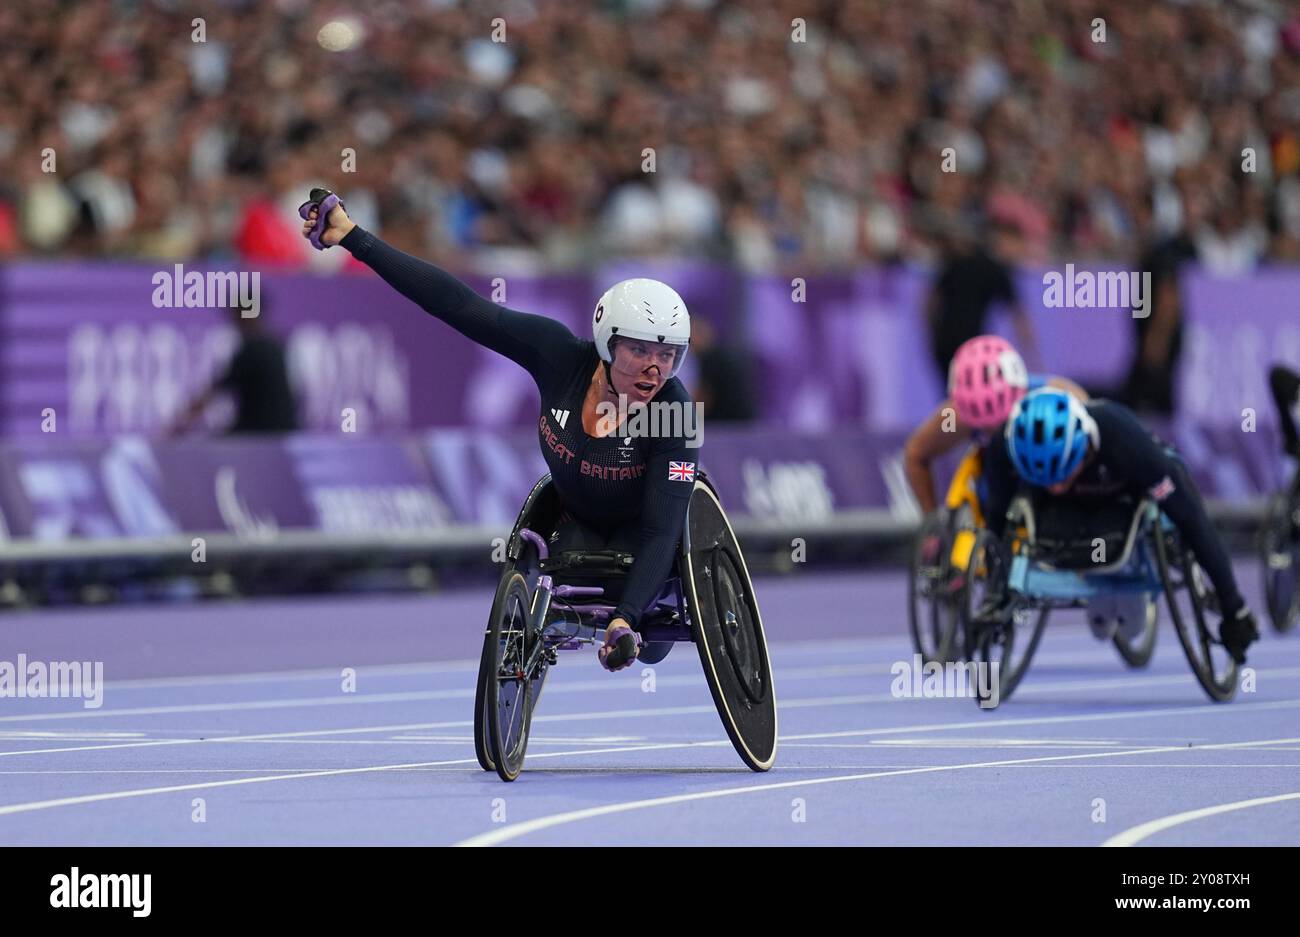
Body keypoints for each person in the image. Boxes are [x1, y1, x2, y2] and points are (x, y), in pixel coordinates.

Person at [300, 190, 698, 672]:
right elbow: (459, 307)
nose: (655, 369)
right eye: (639, 351)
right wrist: (353, 238)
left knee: (652, 649)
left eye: (668, 356)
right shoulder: (558, 355)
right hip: (575, 525)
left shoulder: (674, 412)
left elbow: (662, 529)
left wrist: (627, 618)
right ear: (605, 341)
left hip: (644, 545)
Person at [981, 387, 1259, 664]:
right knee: (1098, 615)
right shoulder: (1003, 448)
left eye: (1064, 473)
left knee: (1129, 614)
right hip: (1058, 517)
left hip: (1121, 502)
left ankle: (1122, 586)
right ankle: (1097, 583)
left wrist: (1233, 606)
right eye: (1047, 480)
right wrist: (996, 597)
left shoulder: (1128, 444)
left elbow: (1193, 519)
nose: (1056, 486)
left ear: (1084, 445)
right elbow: (995, 525)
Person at [904, 334, 1086, 516]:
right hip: (994, 501)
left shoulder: (1061, 399)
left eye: (1002, 423)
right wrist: (932, 523)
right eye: (984, 427)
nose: (995, 435)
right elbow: (916, 455)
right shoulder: (955, 417)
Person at [925, 219, 1037, 386]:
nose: (1019, 251)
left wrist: (932, 335)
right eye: (1017, 245)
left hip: (943, 343)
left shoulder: (960, 261)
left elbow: (930, 303)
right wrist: (1032, 357)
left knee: (951, 394)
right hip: (971, 347)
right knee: (970, 395)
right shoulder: (997, 270)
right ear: (1004, 240)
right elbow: (1019, 318)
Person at [170, 301, 299, 435]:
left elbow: (214, 391)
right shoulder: (276, 345)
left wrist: (180, 423)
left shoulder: (252, 350)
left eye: (235, 314)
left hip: (261, 432)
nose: (233, 320)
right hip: (283, 429)